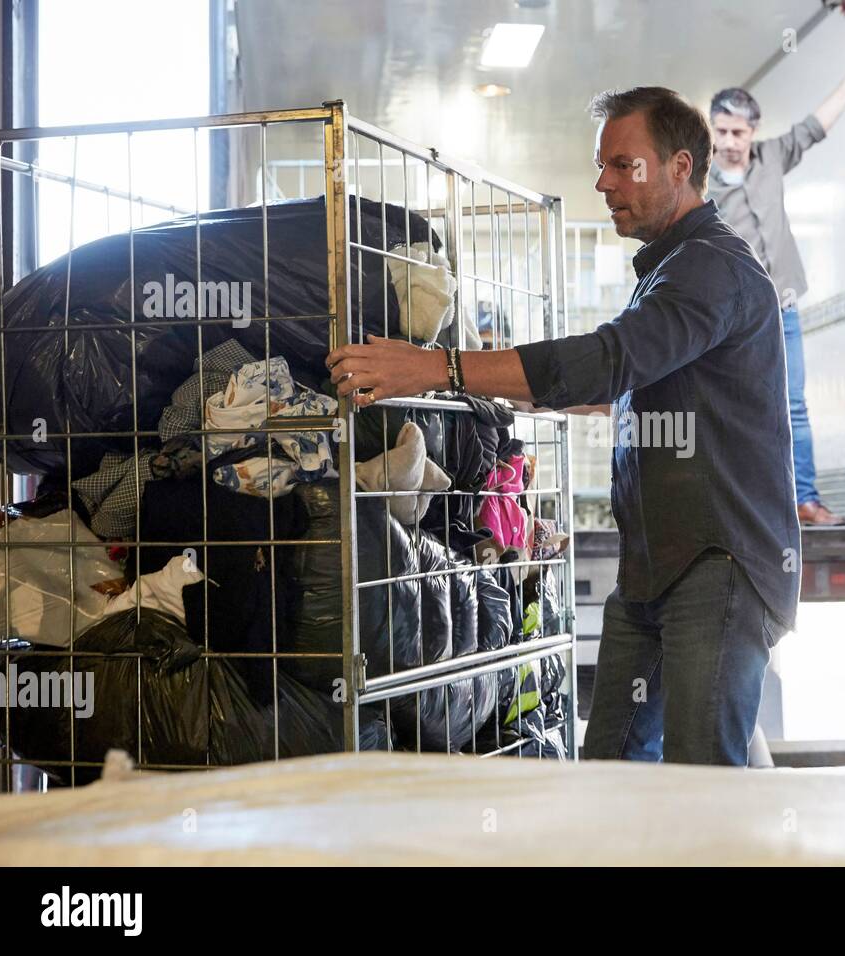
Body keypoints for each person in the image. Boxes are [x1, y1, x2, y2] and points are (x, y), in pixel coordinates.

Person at [326, 87, 800, 767]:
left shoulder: (711, 269)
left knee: (703, 786)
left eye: (621, 165)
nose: (603, 182)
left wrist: (436, 366)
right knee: (609, 768)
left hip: (716, 568)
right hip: (655, 570)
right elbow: (644, 387)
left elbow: (611, 361)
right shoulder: (670, 269)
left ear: (679, 166)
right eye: (601, 165)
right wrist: (509, 394)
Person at [706, 42, 845, 527]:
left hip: (782, 306)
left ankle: (805, 500)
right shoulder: (700, 182)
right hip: (733, 316)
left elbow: (817, 125)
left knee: (794, 405)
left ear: (753, 130)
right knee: (738, 405)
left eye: (738, 132)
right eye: (721, 131)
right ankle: (740, 505)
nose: (729, 142)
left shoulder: (772, 157)